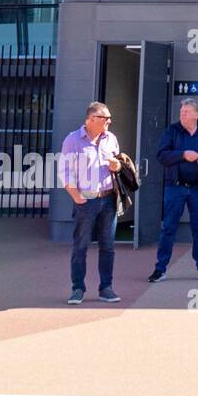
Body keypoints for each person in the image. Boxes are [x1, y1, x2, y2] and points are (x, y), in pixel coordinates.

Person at [149, 97, 198, 283]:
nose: (182, 114)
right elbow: (161, 155)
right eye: (181, 111)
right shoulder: (172, 131)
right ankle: (160, 269)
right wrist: (182, 154)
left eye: (186, 111)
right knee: (168, 228)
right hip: (175, 188)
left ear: (197, 115)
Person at [59, 102, 123, 305]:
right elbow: (65, 171)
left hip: (108, 199)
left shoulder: (111, 139)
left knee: (108, 246)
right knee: (81, 246)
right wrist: (76, 196)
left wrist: (117, 165)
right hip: (86, 200)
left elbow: (119, 165)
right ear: (91, 119)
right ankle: (78, 288)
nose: (110, 122)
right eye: (106, 118)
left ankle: (106, 288)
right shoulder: (73, 140)